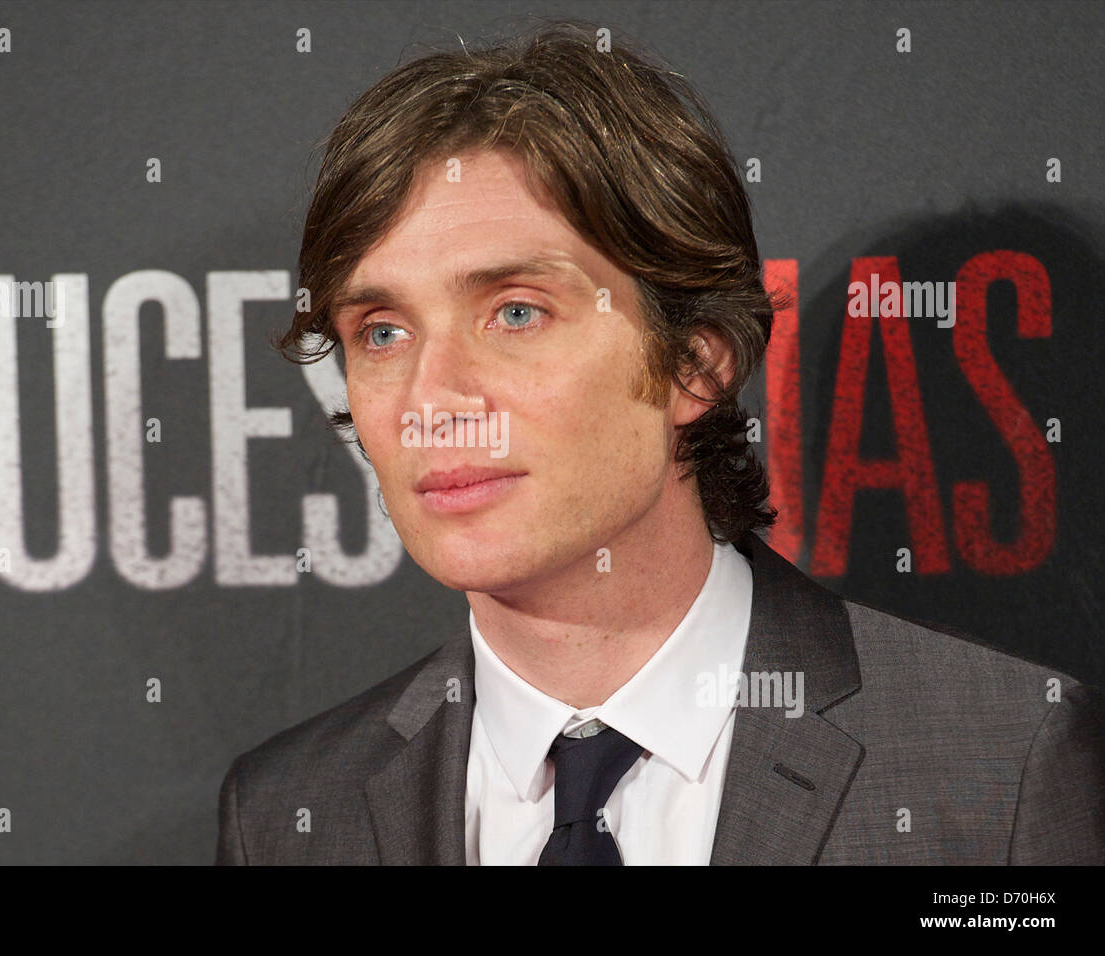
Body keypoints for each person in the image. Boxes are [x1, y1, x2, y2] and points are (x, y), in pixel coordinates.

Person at [215, 19, 1103, 865]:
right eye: (381, 332)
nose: (431, 398)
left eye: (516, 312)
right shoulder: (290, 814)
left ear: (694, 362)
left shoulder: (1000, 767)